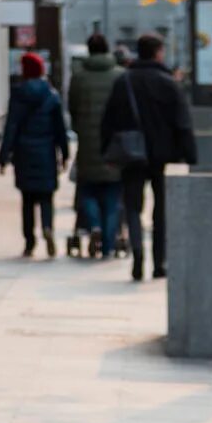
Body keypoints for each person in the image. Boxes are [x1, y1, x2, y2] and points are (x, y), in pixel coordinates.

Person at [96, 30, 198, 281]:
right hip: (164, 154)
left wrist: (106, 150)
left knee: (132, 204)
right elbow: (183, 122)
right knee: (161, 207)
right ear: (157, 52)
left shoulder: (124, 81)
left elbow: (108, 119)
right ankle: (159, 261)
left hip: (132, 153)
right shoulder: (168, 83)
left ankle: (138, 252)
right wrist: (190, 155)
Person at [0, 50, 72, 257]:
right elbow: (60, 129)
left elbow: (11, 126)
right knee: (47, 197)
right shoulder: (52, 95)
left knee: (27, 199)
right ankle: (48, 227)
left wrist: (3, 156)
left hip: (24, 153)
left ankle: (29, 241)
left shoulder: (18, 94)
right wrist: (64, 154)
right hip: (46, 152)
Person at [64, 28, 126, 259]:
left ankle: (94, 226)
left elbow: (72, 108)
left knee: (88, 192)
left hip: (88, 144)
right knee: (112, 199)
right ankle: (108, 247)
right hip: (113, 146)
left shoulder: (79, 77)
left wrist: (81, 128)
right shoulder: (119, 76)